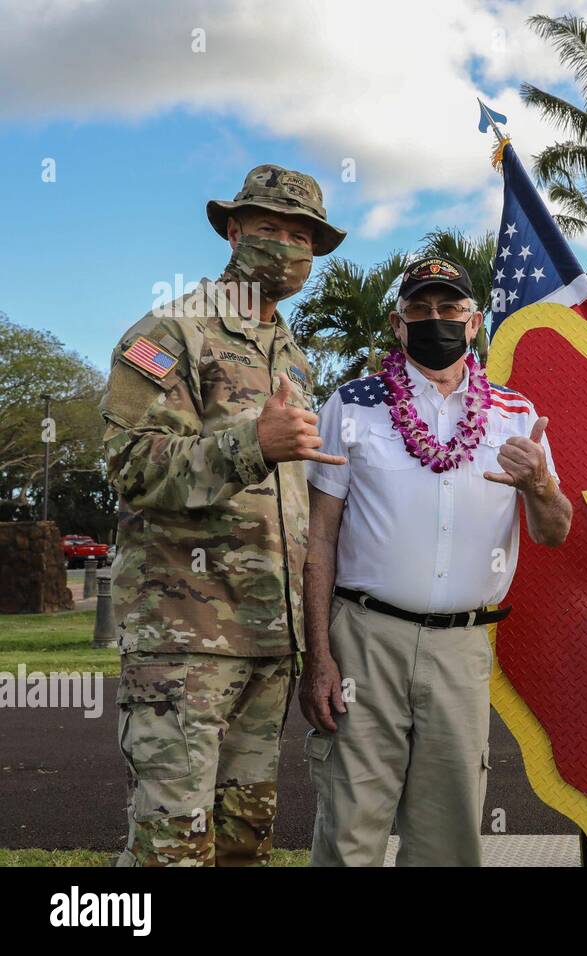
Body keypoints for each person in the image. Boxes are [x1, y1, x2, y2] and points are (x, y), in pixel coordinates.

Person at [100, 164, 347, 866]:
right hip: (186, 639)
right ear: (233, 231)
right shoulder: (173, 331)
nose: (286, 247)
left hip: (269, 642)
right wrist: (250, 446)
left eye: (302, 236)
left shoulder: (293, 358)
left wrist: (311, 643)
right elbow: (130, 464)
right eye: (268, 228)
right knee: (171, 846)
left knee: (243, 844)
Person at [300, 255, 572, 866]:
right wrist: (316, 655)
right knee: (349, 829)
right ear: (398, 326)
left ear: (473, 323)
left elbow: (554, 534)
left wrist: (541, 485)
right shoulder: (352, 405)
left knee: (448, 840)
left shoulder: (516, 413)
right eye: (420, 310)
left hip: (462, 647)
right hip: (364, 641)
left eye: (449, 309)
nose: (435, 320)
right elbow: (318, 539)